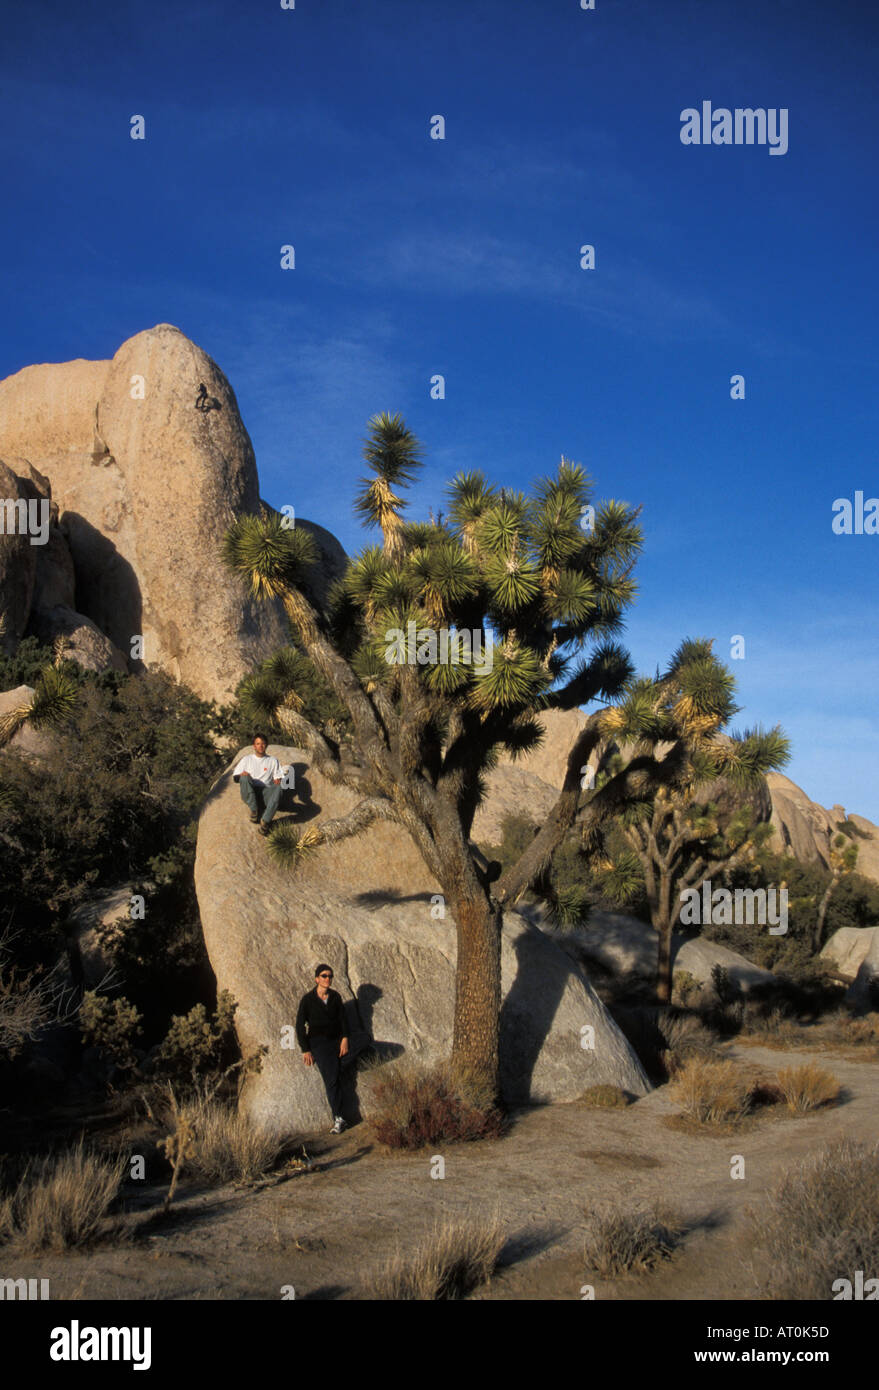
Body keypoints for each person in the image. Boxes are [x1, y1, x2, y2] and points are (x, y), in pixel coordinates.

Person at [295, 965, 349, 1134]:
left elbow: (343, 1020)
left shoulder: (335, 997)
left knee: (365, 1040)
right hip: (319, 1043)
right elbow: (299, 1026)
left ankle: (340, 1064)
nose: (327, 979)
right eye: (324, 976)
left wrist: (345, 1039)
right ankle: (339, 1118)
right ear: (317, 979)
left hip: (336, 1041)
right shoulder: (308, 1000)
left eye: (330, 976)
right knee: (332, 1078)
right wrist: (306, 1049)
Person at [232, 735, 282, 836]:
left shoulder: (273, 760)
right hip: (250, 791)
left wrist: (278, 780)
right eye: (258, 744)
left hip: (265, 792)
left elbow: (278, 777)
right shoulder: (247, 759)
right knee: (245, 777)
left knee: (279, 788)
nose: (260, 746)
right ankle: (254, 810)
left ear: (266, 745)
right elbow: (235, 777)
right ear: (254, 746)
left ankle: (265, 821)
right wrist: (243, 775)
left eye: (263, 743)